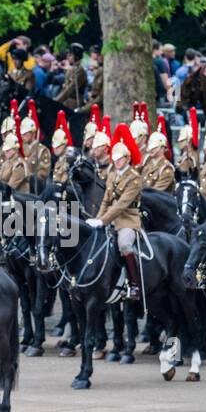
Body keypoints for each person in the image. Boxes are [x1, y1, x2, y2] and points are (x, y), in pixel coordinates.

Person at [88, 129, 142, 301]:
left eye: (120, 159)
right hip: (110, 219)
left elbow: (120, 206)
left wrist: (103, 221)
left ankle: (134, 284)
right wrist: (97, 219)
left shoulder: (134, 178)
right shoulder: (112, 175)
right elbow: (106, 201)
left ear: (127, 159)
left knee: (125, 245)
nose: (117, 162)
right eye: (115, 159)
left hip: (128, 220)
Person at [57, 45, 87, 110]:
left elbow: (70, 89)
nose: (68, 57)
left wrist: (57, 101)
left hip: (74, 103)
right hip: (66, 101)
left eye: (70, 55)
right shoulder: (71, 69)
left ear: (76, 57)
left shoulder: (80, 71)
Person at [21, 115, 50, 183]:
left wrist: (28, 176)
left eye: (25, 133)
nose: (22, 136)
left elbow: (43, 173)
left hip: (32, 188)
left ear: (33, 133)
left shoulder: (42, 150)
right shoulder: (19, 148)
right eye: (22, 133)